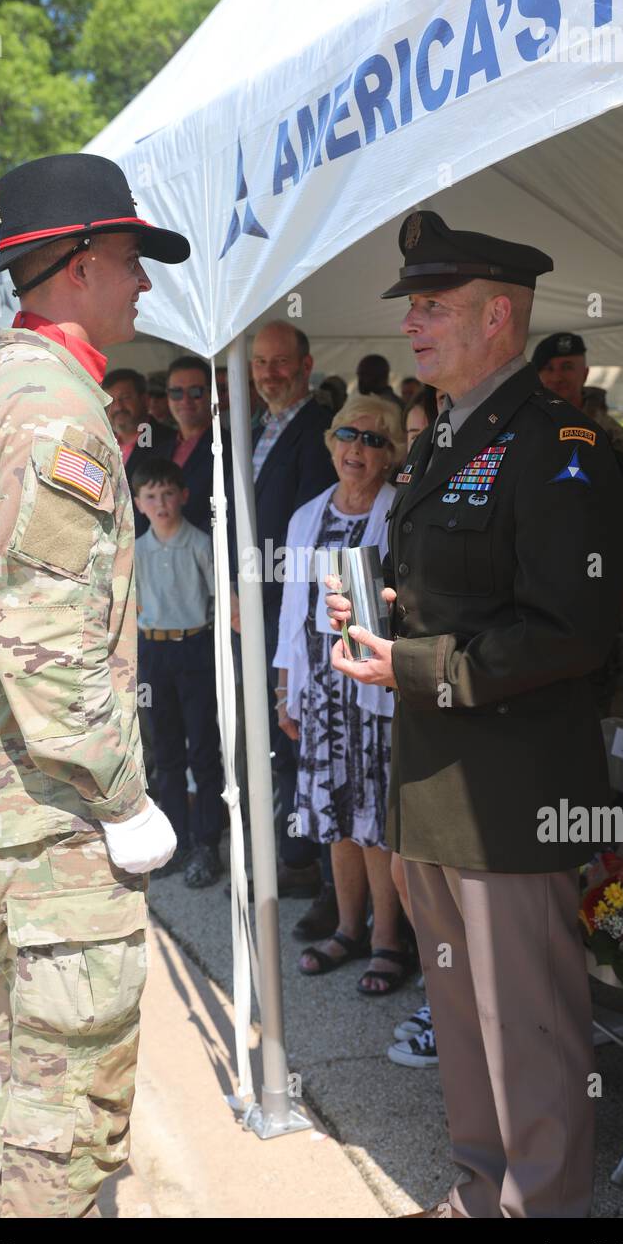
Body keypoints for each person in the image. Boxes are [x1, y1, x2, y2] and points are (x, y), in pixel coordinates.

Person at [327, 209, 623, 1218]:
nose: (411, 323)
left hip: (512, 796)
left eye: (432, 306)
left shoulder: (563, 446)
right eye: (410, 307)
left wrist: (407, 664)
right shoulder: (436, 439)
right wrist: (379, 612)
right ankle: (476, 1190)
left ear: (497, 314)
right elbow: (453, 592)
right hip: (434, 783)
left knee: (528, 1034)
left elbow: (567, 633)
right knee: (460, 1018)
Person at [0, 152, 189, 1219]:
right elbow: (49, 654)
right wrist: (124, 800)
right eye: (129, 260)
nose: (143, 284)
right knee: (62, 1125)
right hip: (46, 820)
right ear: (74, 264)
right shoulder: (54, 412)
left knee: (13, 1062)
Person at [274, 396, 410, 992]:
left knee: (374, 818)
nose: (357, 449)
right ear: (331, 443)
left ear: (390, 456)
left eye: (373, 440)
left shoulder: (399, 511)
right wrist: (286, 689)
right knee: (334, 814)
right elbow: (290, 613)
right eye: (347, 435)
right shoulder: (306, 514)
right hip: (323, 689)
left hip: (375, 688)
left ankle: (388, 939)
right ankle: (349, 928)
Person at [234, 321, 337, 920]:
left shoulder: (317, 430)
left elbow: (308, 530)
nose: (269, 374)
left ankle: (316, 872)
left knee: (299, 737)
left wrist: (269, 601)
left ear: (306, 364)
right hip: (259, 606)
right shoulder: (261, 426)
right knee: (276, 739)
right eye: (260, 363)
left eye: (280, 363)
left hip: (292, 612)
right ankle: (294, 858)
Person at [133, 457, 224, 888]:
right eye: (151, 495)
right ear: (138, 503)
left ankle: (208, 843)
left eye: (168, 492)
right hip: (154, 650)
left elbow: (223, 601)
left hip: (195, 647)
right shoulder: (134, 552)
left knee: (203, 750)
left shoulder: (202, 544)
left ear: (184, 495)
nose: (161, 502)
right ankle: (175, 842)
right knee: (166, 753)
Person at [533, 331, 623, 464]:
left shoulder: (612, 436)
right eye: (548, 368)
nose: (556, 377)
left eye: (567, 367)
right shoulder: (525, 424)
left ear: (585, 374)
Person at [157, 356, 228, 534]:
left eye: (195, 391)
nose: (185, 400)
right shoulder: (160, 448)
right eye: (176, 393)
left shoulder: (229, 447)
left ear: (212, 394)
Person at [102, 367, 162, 537]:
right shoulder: (103, 443)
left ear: (145, 399)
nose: (118, 407)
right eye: (111, 401)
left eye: (126, 398)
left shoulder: (167, 440)